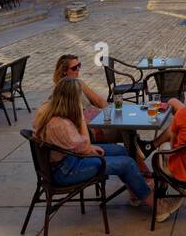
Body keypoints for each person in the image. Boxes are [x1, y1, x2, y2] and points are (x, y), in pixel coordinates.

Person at [31, 77, 177, 220]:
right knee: (127, 163)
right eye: (78, 98)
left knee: (122, 151)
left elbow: (80, 145)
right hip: (67, 169)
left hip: (68, 156)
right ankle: (158, 208)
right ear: (71, 99)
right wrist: (81, 117)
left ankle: (136, 190)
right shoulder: (60, 124)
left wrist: (89, 148)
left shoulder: (48, 110)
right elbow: (85, 146)